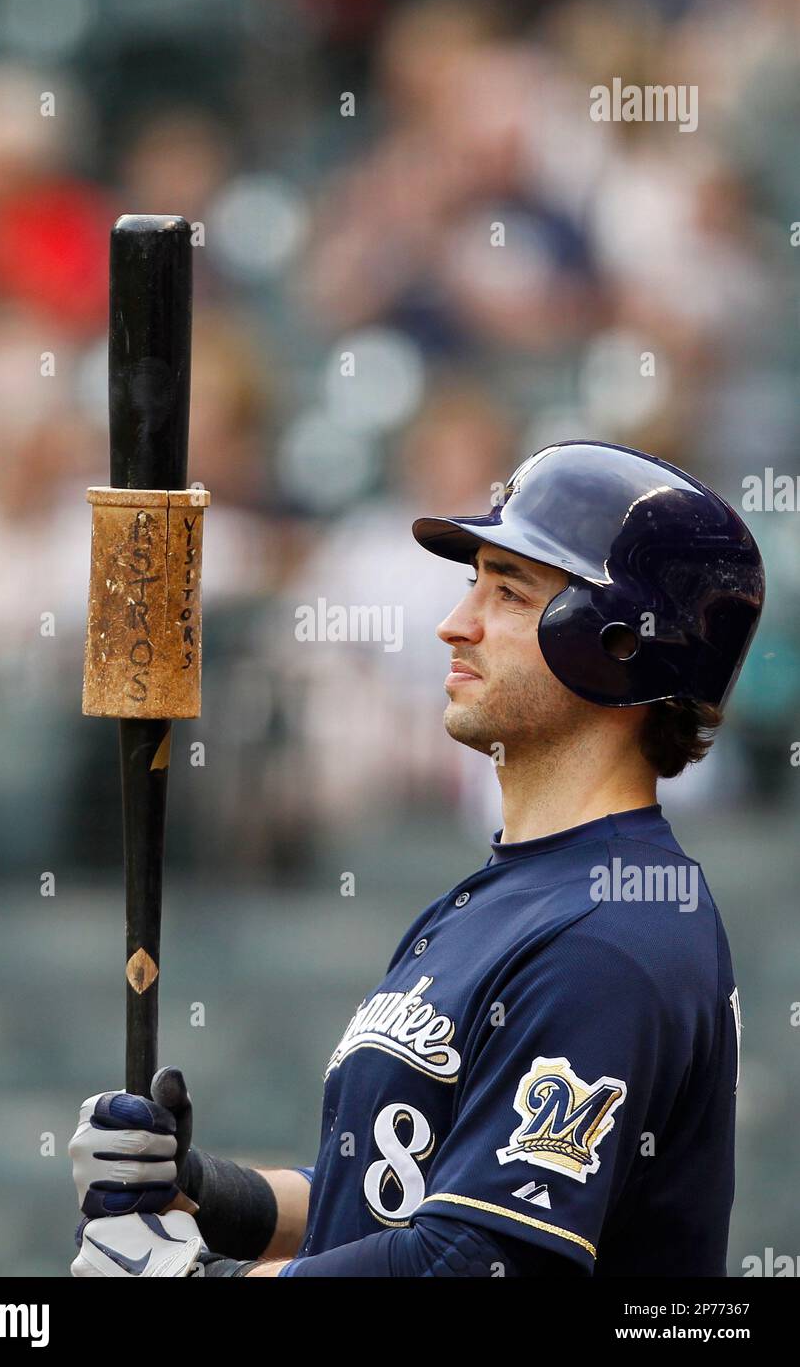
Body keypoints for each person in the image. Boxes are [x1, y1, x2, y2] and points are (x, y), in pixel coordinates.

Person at [69, 439, 764, 1277]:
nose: (455, 622)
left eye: (508, 592)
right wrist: (201, 1191)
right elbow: (397, 1195)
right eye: (474, 582)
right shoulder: (508, 898)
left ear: (618, 642)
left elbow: (477, 1262)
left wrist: (198, 1279)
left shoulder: (610, 933)